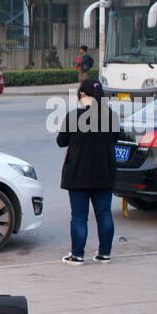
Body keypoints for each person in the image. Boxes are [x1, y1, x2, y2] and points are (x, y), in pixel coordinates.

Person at [57, 79, 119, 264]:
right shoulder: (111, 116)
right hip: (104, 173)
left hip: (78, 174)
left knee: (78, 216)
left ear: (83, 94)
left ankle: (77, 255)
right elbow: (115, 139)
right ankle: (104, 254)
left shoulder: (74, 116)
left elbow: (61, 141)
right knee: (104, 214)